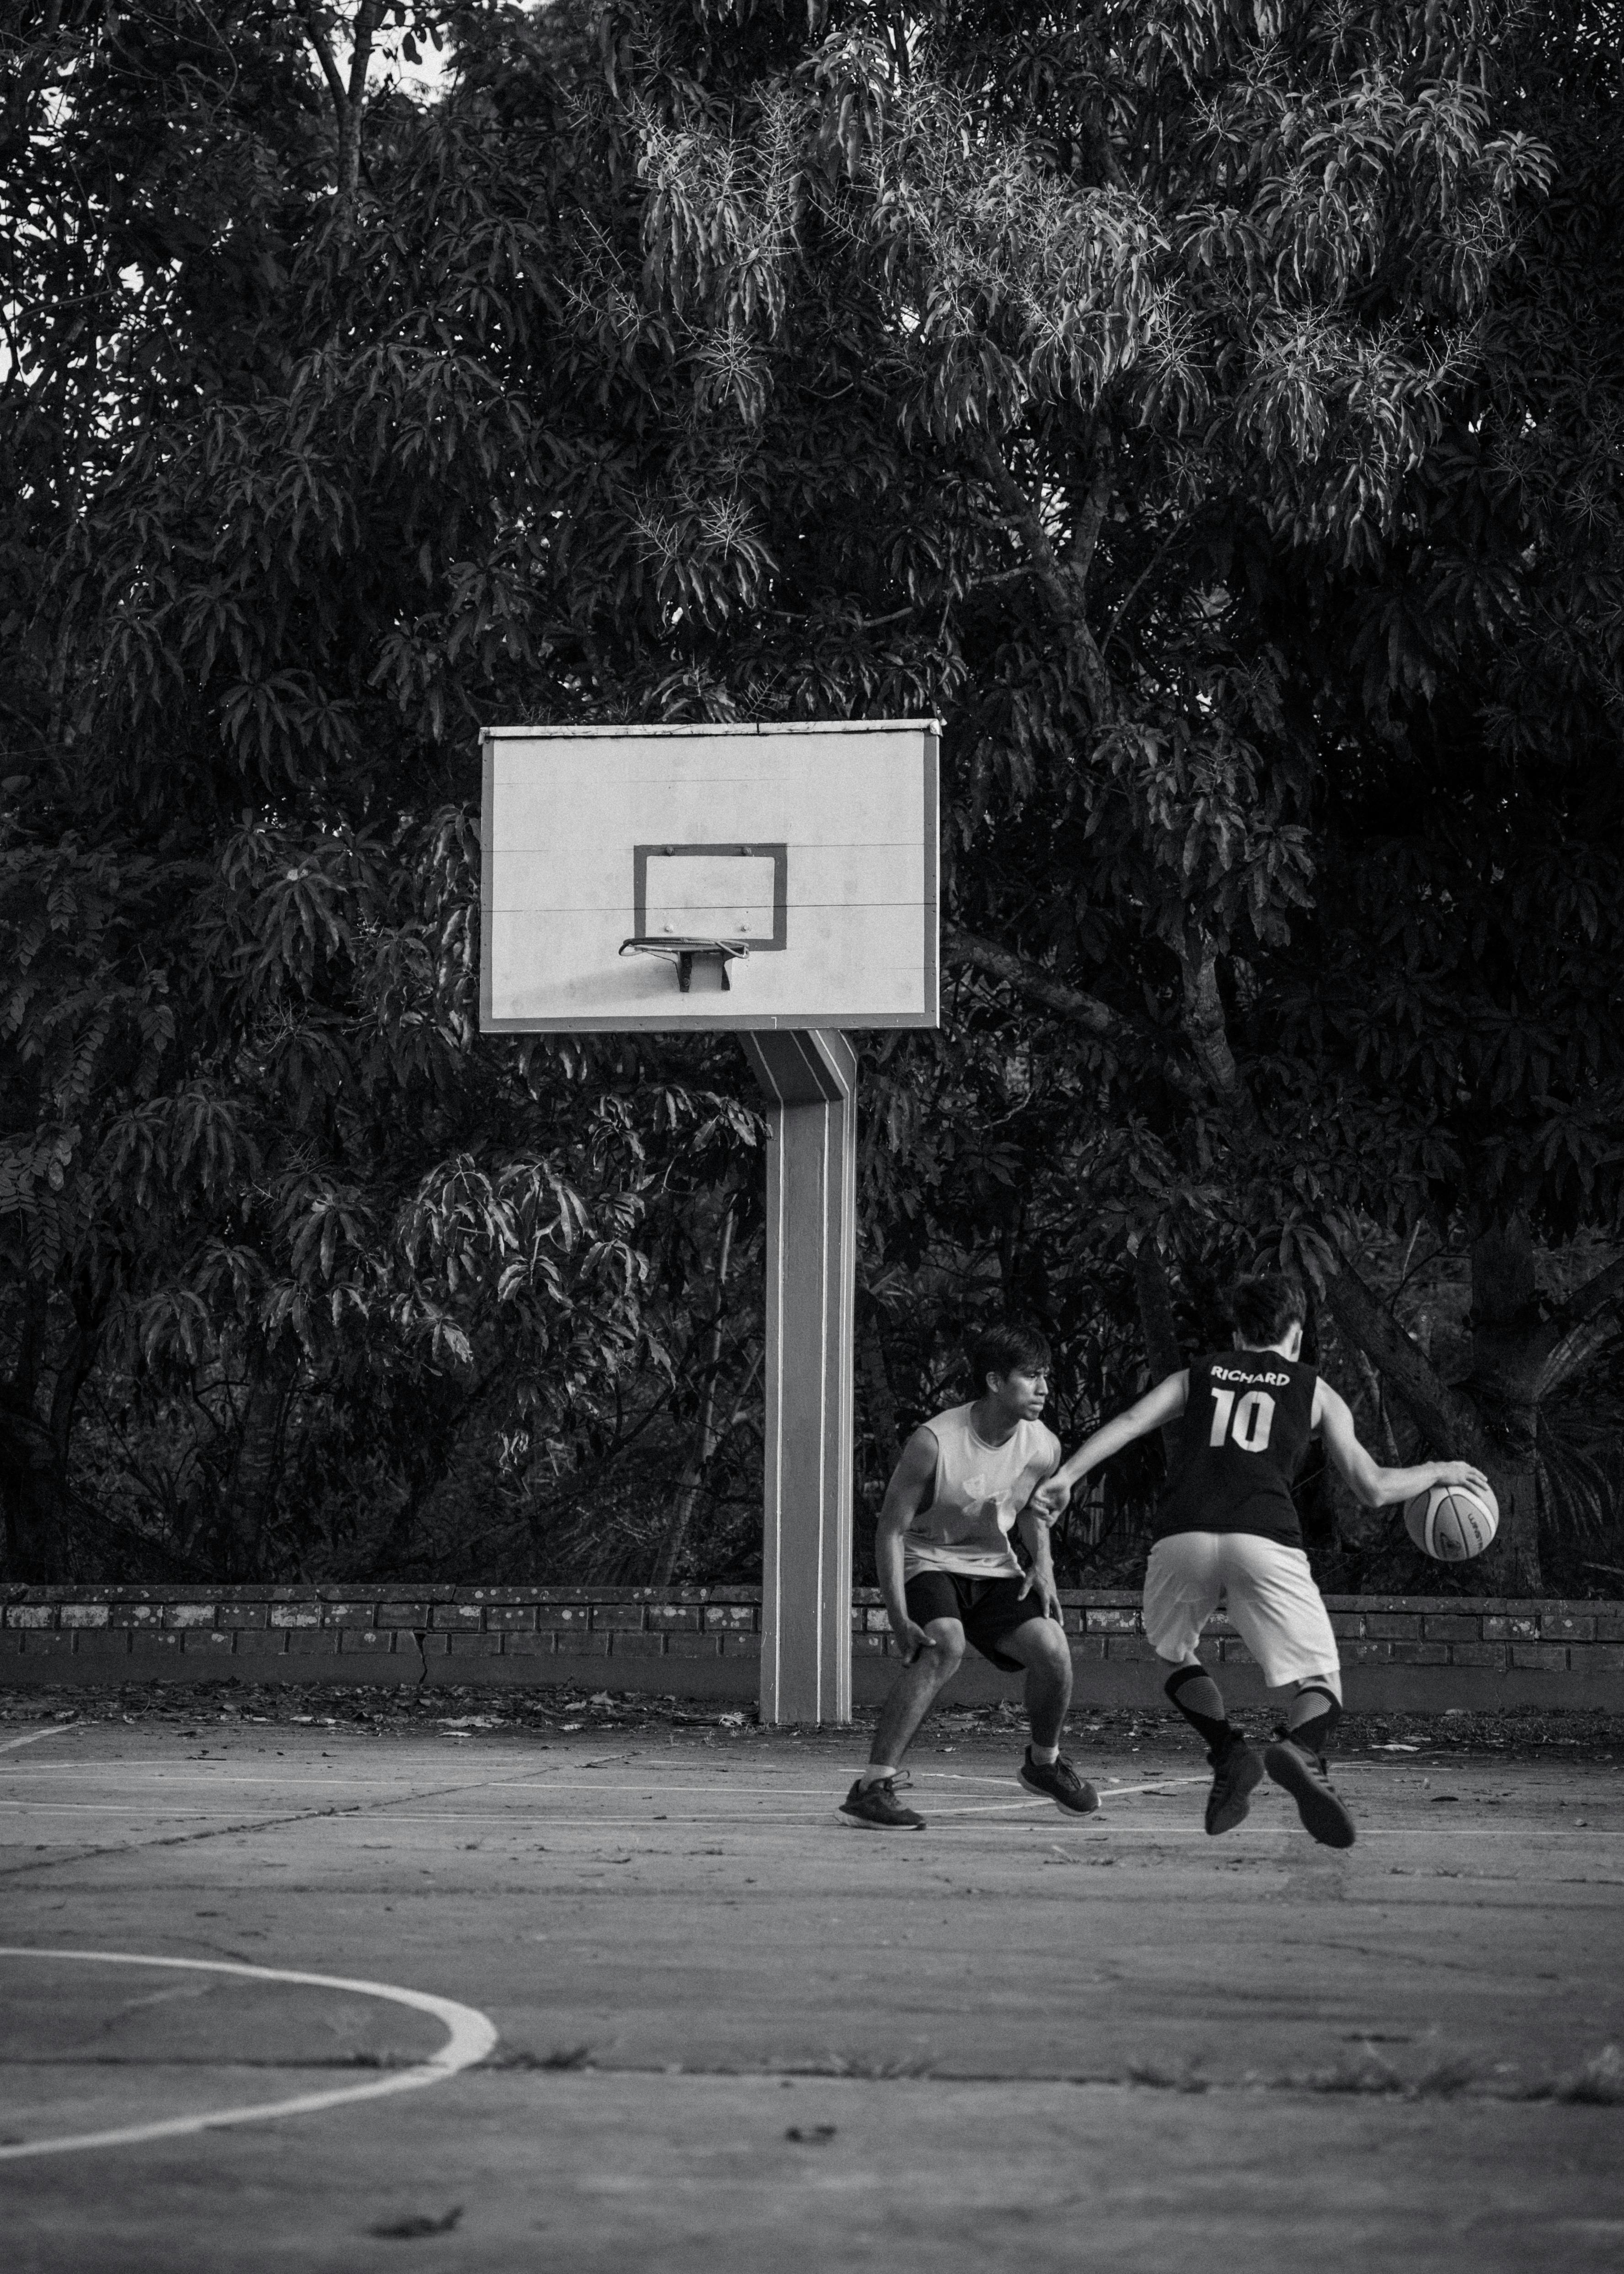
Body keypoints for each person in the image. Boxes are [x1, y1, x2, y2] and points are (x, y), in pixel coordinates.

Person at [1030, 1272, 1489, 1849]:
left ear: (1238, 1331)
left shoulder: (1195, 1376)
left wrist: (1066, 1476)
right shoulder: (1315, 1389)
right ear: (1296, 1334)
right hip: (1265, 1539)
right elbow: (1372, 1487)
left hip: (1183, 1537)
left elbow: (1128, 1424)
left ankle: (1228, 1753)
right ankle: (1298, 1749)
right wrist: (1440, 1470)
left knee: (1173, 1654)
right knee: (1322, 1678)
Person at [839, 1323, 1099, 1830]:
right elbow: (890, 1530)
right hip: (928, 1559)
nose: (1044, 1388)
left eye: (1047, 1375)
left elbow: (1030, 1507)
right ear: (995, 1381)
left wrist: (1042, 1563)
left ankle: (1044, 1763)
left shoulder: (1043, 1444)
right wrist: (897, 1616)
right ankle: (871, 1787)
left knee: (1053, 1646)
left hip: (994, 1568)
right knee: (945, 1643)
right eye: (1031, 1376)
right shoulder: (934, 1442)